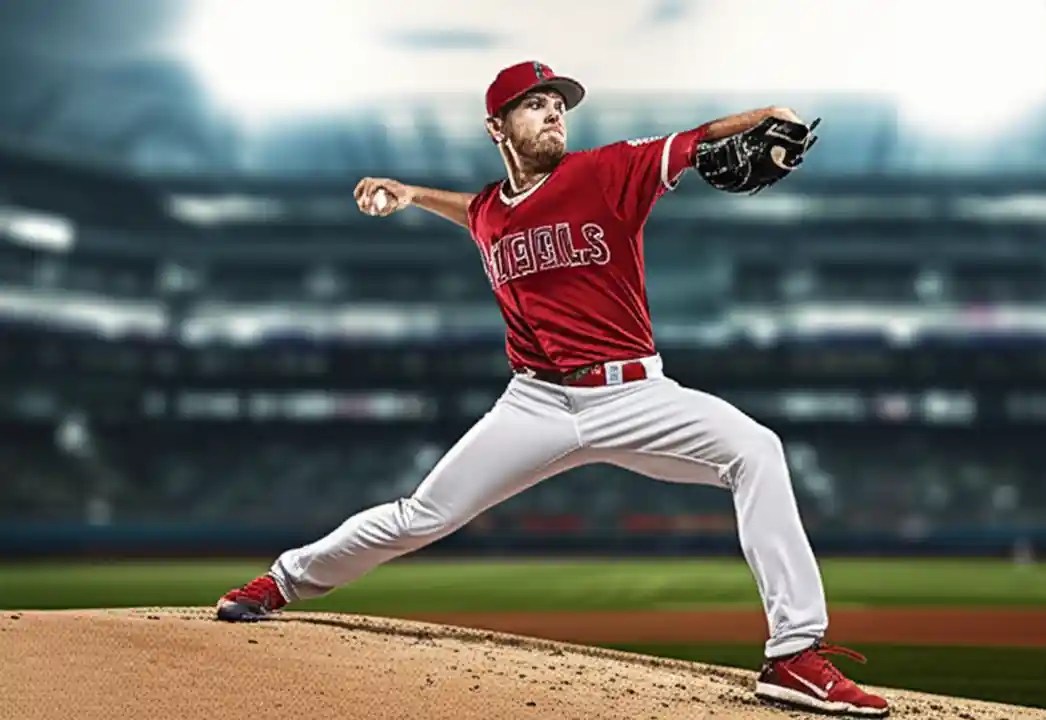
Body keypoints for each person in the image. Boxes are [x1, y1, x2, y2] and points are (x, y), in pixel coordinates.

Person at [215, 60, 889, 717]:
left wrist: (772, 116)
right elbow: (475, 211)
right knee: (422, 514)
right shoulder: (490, 211)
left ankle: (794, 653)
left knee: (757, 450)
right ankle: (281, 581)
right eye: (536, 104)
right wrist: (412, 194)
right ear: (497, 127)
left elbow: (696, 139)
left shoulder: (606, 172)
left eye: (559, 105)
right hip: (534, 404)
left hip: (634, 394)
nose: (553, 114)